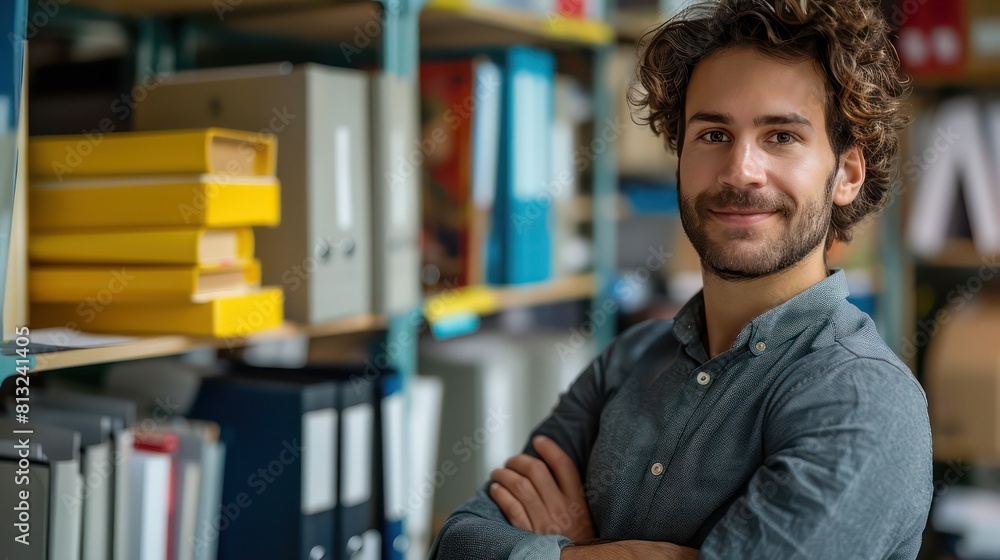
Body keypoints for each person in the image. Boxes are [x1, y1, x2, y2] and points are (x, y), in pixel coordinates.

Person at [429, 0, 932, 558]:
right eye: (713, 134)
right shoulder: (630, 357)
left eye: (782, 136)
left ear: (847, 175)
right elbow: (458, 542)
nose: (741, 169)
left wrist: (573, 546)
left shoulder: (860, 397)